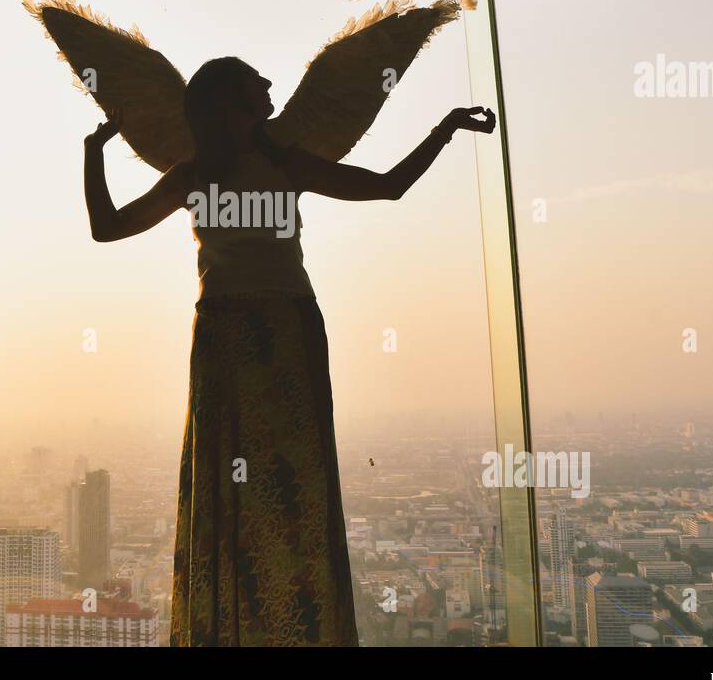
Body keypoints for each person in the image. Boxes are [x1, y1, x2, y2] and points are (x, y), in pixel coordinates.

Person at [83, 55, 495, 645]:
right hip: (256, 333)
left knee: (268, 475)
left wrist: (445, 129)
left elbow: (388, 187)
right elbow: (107, 227)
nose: (270, 84)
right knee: (275, 474)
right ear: (229, 101)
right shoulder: (215, 172)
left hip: (262, 332)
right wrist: (95, 152)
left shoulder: (217, 172)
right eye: (256, 81)